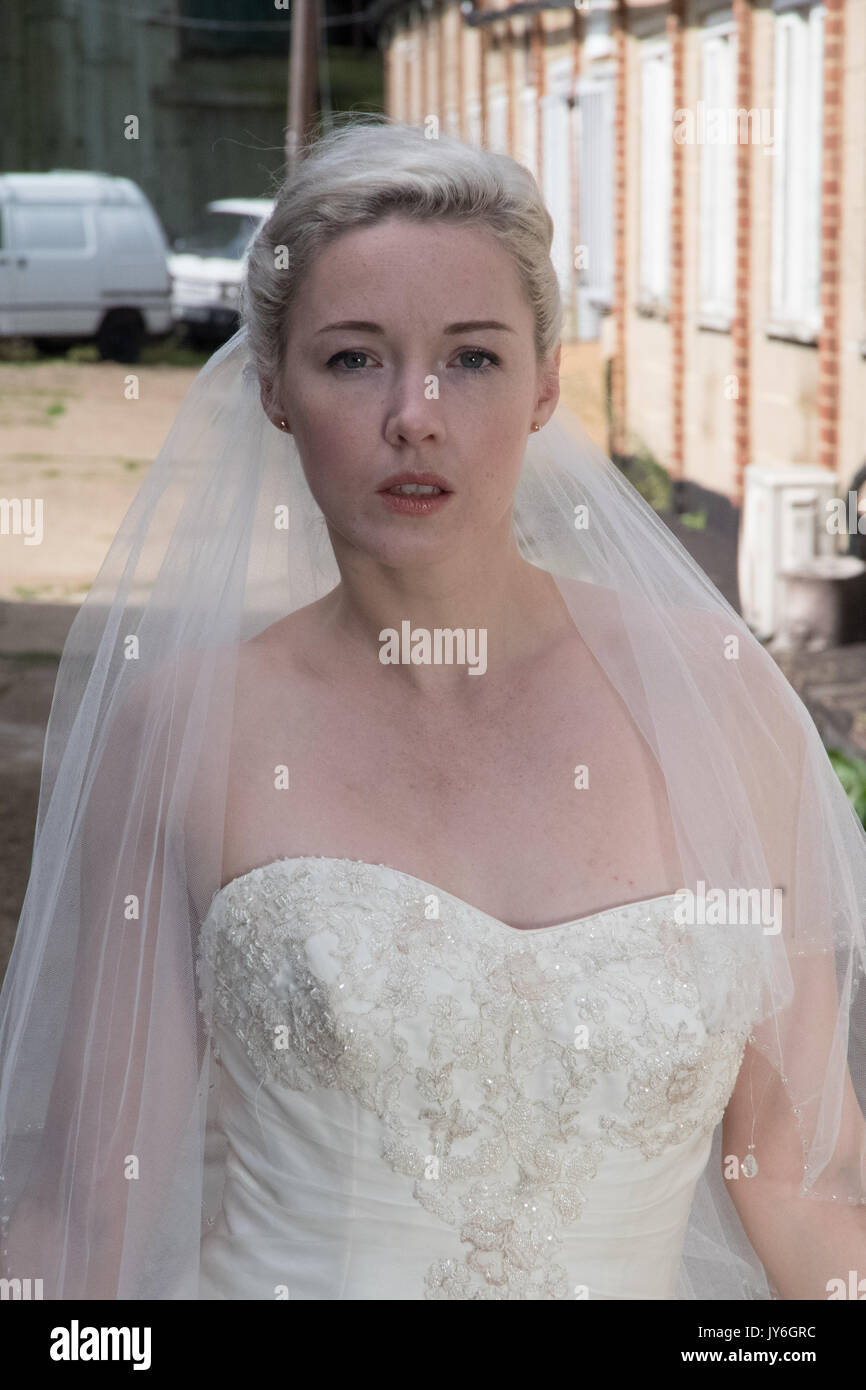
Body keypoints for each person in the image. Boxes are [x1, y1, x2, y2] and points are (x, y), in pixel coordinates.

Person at [1, 115, 864, 1301]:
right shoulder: (184, 727)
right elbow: (91, 1200)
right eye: (353, 357)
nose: (415, 412)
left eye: (471, 357)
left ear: (545, 385)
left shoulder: (714, 699)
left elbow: (801, 1181)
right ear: (274, 391)